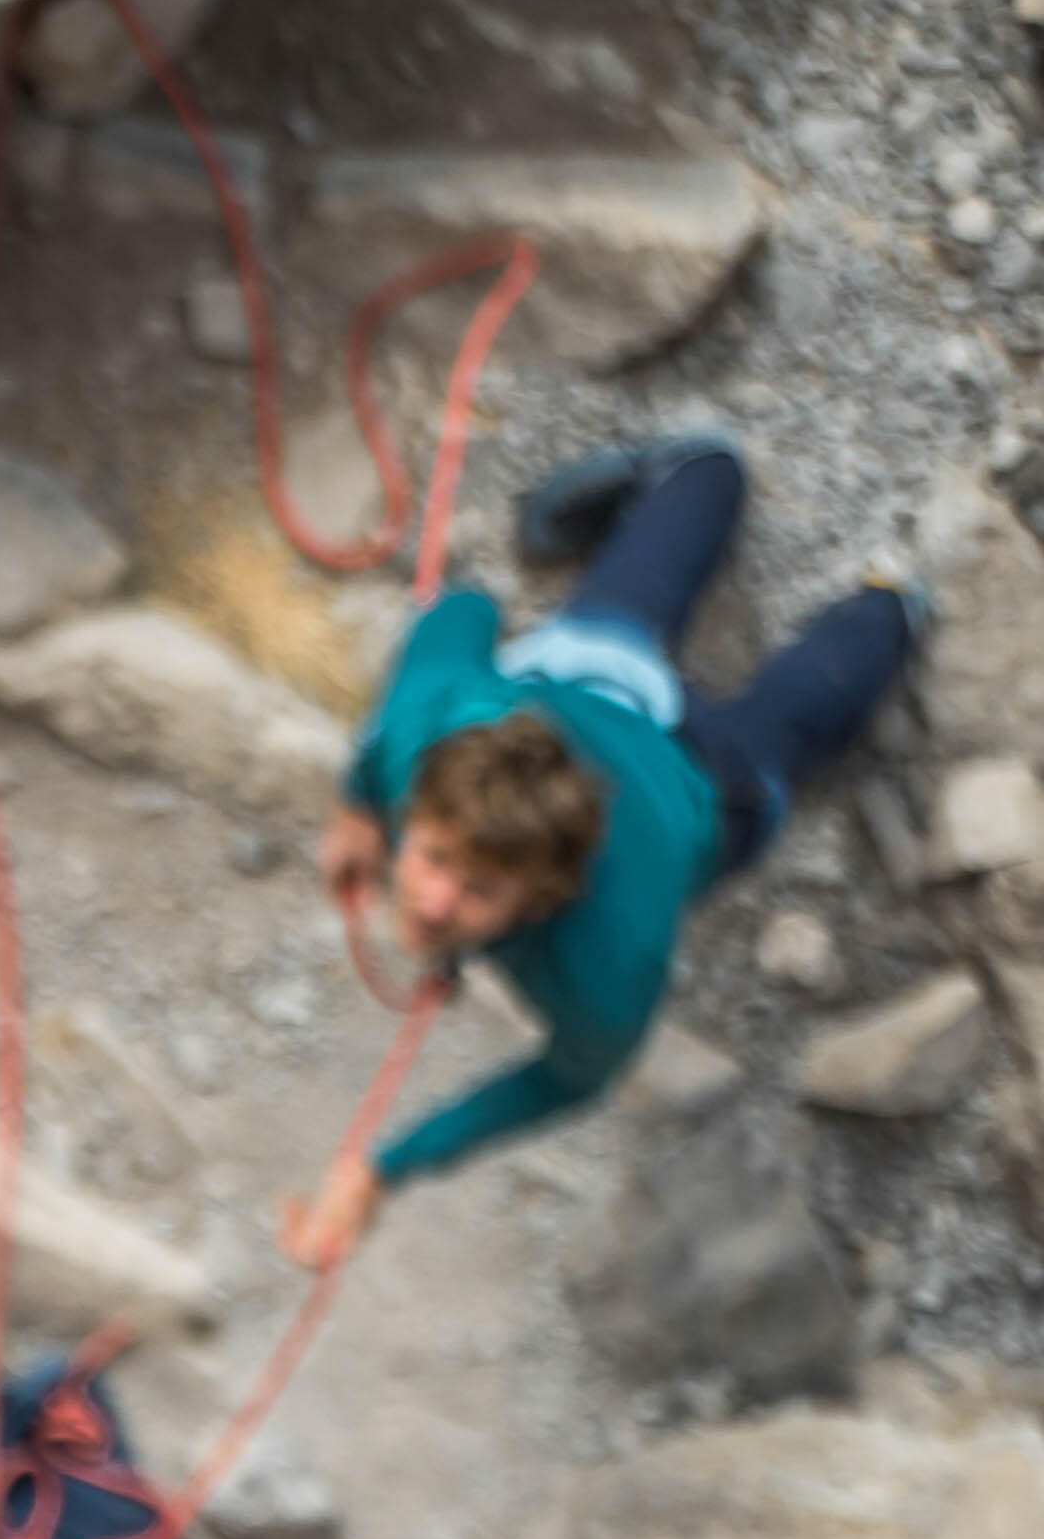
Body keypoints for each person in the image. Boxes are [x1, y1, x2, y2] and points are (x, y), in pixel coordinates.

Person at [287, 430, 918, 1272]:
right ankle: (717, 480)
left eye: (479, 891)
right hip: (592, 674)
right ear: (421, 806)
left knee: (795, 723)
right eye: (434, 858)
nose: (433, 902)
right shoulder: (422, 743)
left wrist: (386, 1170)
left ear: (544, 898)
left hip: (697, 781)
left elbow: (568, 1078)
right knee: (667, 547)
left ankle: (897, 607)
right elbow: (462, 610)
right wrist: (359, 807)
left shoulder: (608, 965)